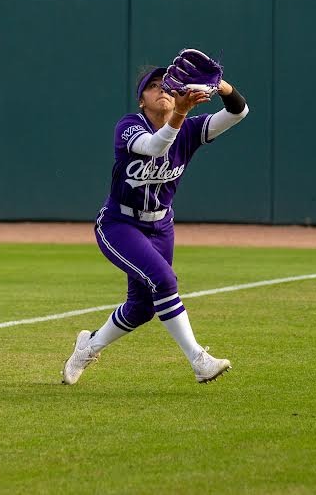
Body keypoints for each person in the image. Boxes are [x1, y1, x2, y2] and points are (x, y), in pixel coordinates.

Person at [62, 63, 249, 384]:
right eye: (153, 86)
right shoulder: (129, 126)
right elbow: (154, 146)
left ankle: (87, 346)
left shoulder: (191, 129)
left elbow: (238, 112)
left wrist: (221, 86)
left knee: (141, 308)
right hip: (120, 224)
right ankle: (199, 360)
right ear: (141, 100)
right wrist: (180, 112)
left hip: (161, 226)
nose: (162, 90)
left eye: (167, 84)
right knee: (164, 281)